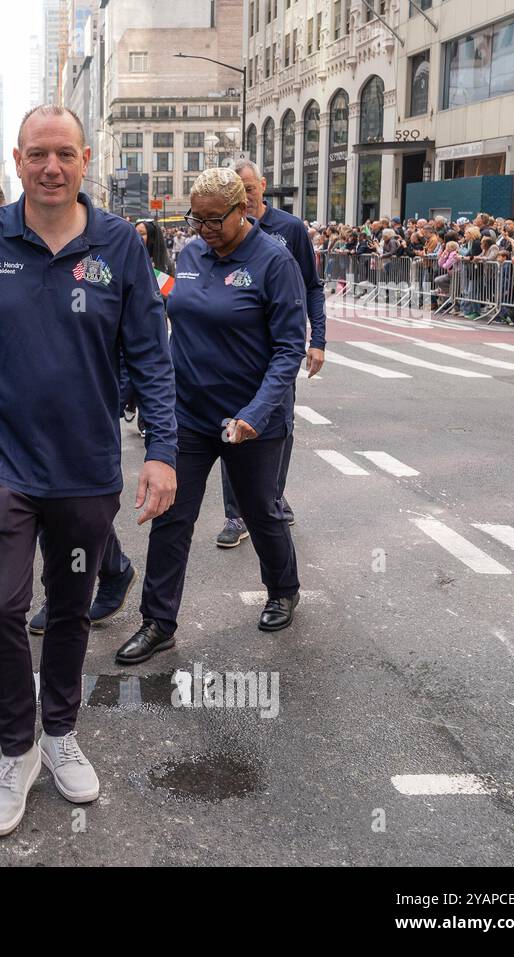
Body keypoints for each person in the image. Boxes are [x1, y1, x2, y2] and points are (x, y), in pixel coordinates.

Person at [0, 105, 177, 837]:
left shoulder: (120, 244)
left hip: (85, 467)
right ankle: (17, 746)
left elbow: (152, 359)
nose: (51, 167)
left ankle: (59, 730)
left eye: (64, 153)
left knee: (69, 607)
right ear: (17, 159)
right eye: (38, 154)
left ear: (85, 158)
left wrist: (162, 451)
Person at [116, 167, 304, 668]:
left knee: (260, 510)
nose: (203, 230)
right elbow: (167, 324)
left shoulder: (274, 261)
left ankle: (283, 590)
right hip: (190, 414)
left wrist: (256, 413)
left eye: (213, 220)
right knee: (171, 515)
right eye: (195, 220)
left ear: (243, 210)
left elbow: (289, 349)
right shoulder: (193, 253)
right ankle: (157, 622)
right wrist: (136, 386)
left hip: (250, 420)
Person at [213, 159, 325, 549]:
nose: (245, 194)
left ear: (263, 185)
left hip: (279, 350)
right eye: (237, 189)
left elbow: (313, 285)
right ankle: (234, 513)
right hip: (235, 352)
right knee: (233, 427)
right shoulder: (223, 232)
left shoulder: (290, 229)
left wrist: (319, 340)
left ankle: (270, 496)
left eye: (250, 187)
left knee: (280, 428)